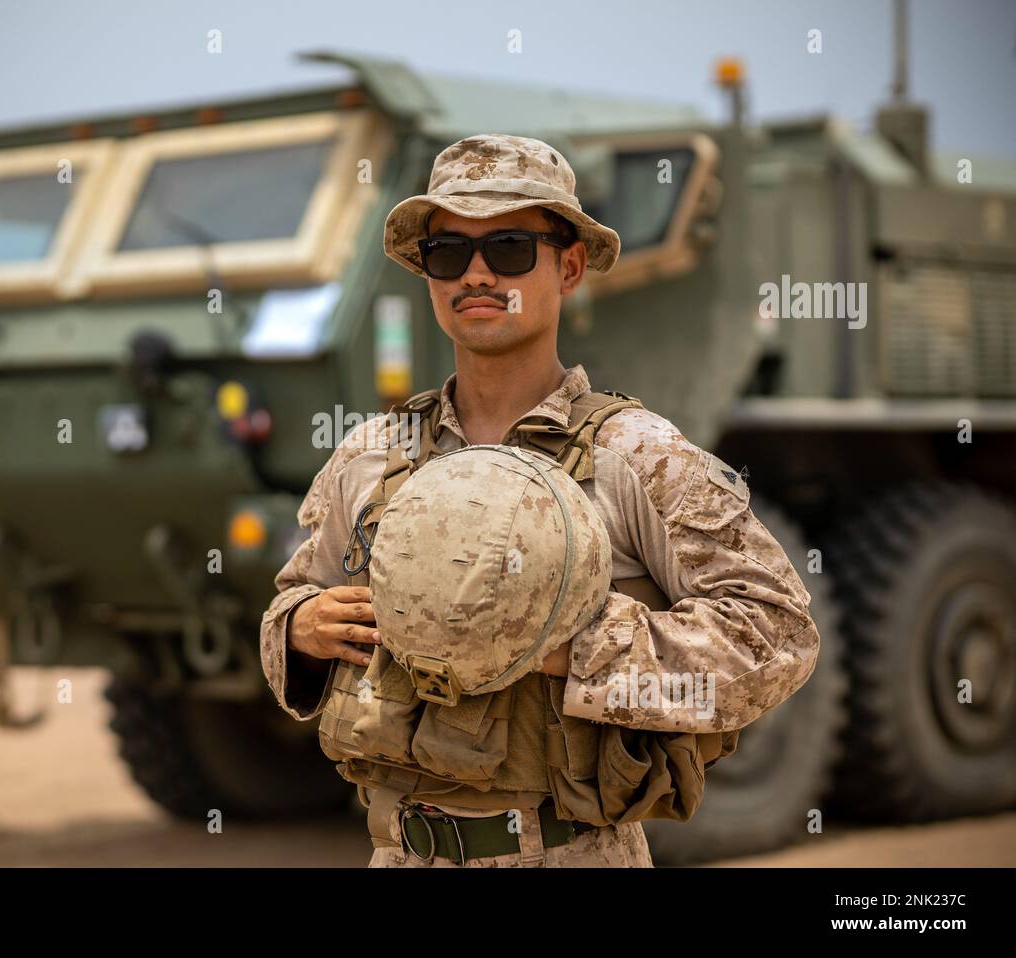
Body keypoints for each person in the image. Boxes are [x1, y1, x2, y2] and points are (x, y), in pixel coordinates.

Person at [259, 133, 820, 867]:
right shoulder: (373, 457)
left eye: (512, 249)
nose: (478, 275)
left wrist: (571, 649)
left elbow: (777, 639)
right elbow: (292, 603)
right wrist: (301, 628)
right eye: (449, 254)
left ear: (570, 266)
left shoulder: (636, 456)